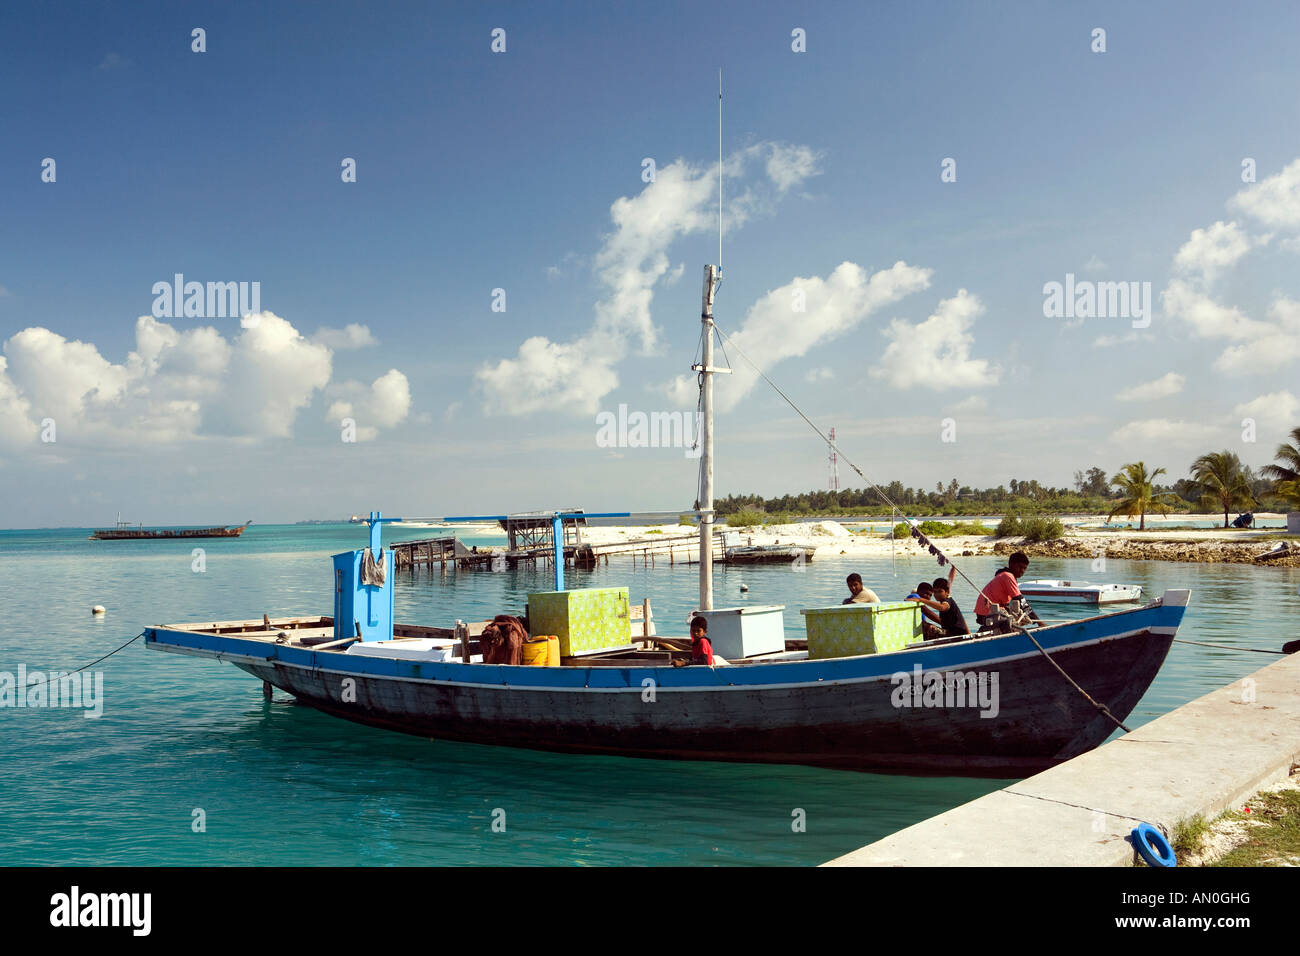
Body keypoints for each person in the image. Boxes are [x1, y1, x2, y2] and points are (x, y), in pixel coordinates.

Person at [975, 551, 1033, 630]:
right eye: (1020, 567)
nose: (1022, 571)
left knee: (1018, 617)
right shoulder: (1008, 576)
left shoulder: (1004, 575)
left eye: (1024, 568)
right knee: (1011, 622)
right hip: (988, 611)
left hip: (985, 610)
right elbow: (1020, 600)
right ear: (1011, 565)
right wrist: (1040, 623)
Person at [931, 570, 969, 637]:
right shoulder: (947, 595)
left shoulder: (947, 601)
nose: (937, 594)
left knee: (930, 628)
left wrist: (922, 600)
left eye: (940, 591)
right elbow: (950, 580)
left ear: (946, 592)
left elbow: (942, 607)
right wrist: (953, 569)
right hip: (955, 631)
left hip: (955, 634)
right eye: (935, 592)